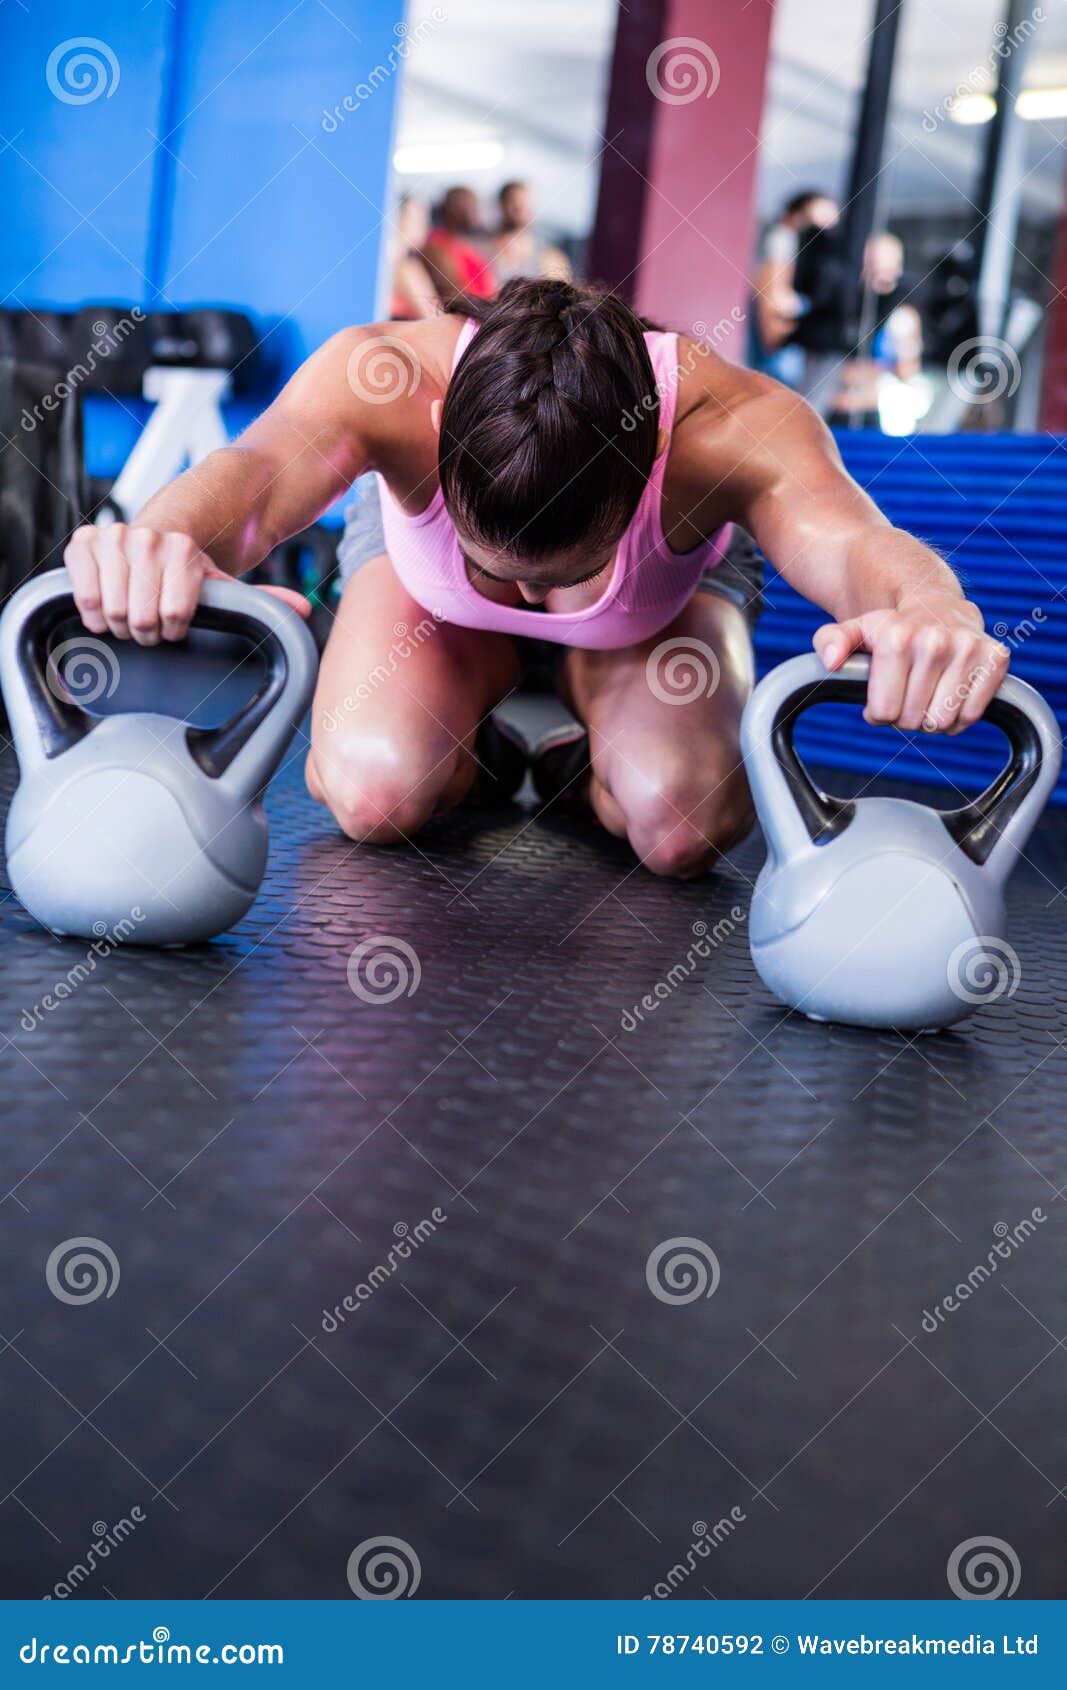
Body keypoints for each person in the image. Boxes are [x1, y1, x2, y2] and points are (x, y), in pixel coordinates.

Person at [61, 277, 1010, 880]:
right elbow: (258, 475)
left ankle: (577, 758)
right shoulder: (384, 377)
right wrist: (159, 539)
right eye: (493, 563)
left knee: (681, 830)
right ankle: (472, 758)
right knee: (373, 793)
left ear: (646, 474)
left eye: (562, 569)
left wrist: (926, 609)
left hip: (653, 618)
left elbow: (849, 543)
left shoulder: (734, 428)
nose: (518, 596)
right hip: (426, 604)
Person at [750, 189, 839, 387]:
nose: (823, 232)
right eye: (816, 222)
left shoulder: (801, 249)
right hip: (777, 345)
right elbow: (771, 294)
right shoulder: (782, 238)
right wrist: (777, 334)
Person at [421, 186, 497, 308]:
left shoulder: (466, 244)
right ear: (453, 209)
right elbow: (455, 293)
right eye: (471, 205)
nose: (476, 212)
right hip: (471, 316)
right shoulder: (436, 245)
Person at [488, 181, 572, 284]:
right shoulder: (483, 247)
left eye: (524, 203)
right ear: (500, 205)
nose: (519, 209)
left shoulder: (550, 256)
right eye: (512, 202)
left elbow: (559, 293)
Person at [388, 195, 439, 322]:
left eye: (425, 219)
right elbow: (434, 318)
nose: (423, 226)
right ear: (396, 219)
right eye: (416, 219)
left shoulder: (397, 263)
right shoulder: (405, 268)